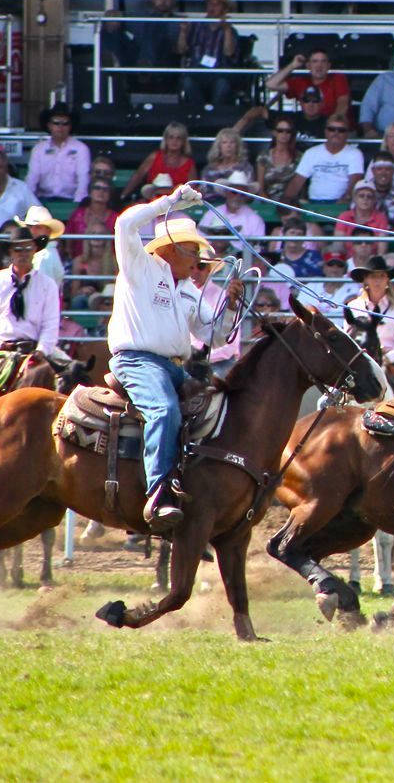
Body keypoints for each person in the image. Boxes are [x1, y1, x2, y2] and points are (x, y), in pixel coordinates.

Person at [108, 184, 246, 531]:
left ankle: (200, 489)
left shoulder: (186, 289)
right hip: (137, 361)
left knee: (219, 407)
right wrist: (170, 202)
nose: (199, 261)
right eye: (194, 252)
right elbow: (125, 225)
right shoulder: (140, 266)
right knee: (164, 409)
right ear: (172, 250)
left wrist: (230, 306)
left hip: (173, 367)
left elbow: (212, 334)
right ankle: (157, 492)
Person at [0, 226, 62, 370]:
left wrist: (41, 350)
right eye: (18, 249)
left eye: (28, 248)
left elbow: (51, 324)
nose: (24, 254)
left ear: (35, 249)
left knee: (70, 376)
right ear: (10, 252)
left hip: (35, 350)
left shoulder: (47, 284)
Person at [346, 255, 394, 393]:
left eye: (382, 276)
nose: (377, 280)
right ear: (365, 280)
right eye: (372, 276)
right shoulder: (353, 306)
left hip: (393, 361)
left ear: (387, 279)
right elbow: (348, 340)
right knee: (326, 400)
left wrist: (386, 358)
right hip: (361, 363)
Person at [282, 115, 364, 205]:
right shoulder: (311, 152)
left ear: (347, 133)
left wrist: (346, 198)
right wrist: (286, 201)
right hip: (313, 204)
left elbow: (355, 182)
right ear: (325, 131)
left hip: (341, 204)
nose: (336, 133)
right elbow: (297, 182)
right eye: (332, 129)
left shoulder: (355, 153)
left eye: (341, 130)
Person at [177, 0, 238, 106]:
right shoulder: (195, 26)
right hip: (197, 70)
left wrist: (226, 30)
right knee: (187, 82)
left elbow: (229, 53)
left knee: (222, 85)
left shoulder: (231, 31)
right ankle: (199, 115)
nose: (212, 8)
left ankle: (215, 116)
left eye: (217, 5)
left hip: (219, 72)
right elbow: (182, 50)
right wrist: (183, 32)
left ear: (225, 9)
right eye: (210, 4)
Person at [188, 249, 242, 380]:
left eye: (201, 266)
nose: (195, 270)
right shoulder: (179, 294)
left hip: (218, 363)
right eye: (191, 266)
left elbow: (229, 343)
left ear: (209, 270)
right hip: (188, 361)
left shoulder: (224, 296)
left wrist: (200, 358)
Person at [119, 0, 181, 91]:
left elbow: (180, 48)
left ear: (173, 1)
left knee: (156, 24)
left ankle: (145, 66)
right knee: (111, 28)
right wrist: (115, 15)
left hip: (167, 61)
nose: (163, 1)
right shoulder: (139, 18)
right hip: (137, 61)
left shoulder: (180, 22)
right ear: (152, 0)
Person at [26, 103, 90, 204]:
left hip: (71, 199)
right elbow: (32, 177)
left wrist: (78, 203)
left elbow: (83, 178)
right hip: (43, 199)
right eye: (56, 123)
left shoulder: (81, 148)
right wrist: (30, 202)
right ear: (49, 125)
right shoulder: (39, 149)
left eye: (65, 123)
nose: (60, 127)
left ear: (70, 126)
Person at [265, 48, 350, 120]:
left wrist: (332, 124)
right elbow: (270, 84)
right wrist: (292, 65)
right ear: (308, 66)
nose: (319, 65)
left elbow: (343, 104)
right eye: (315, 61)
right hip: (310, 128)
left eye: (323, 62)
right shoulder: (300, 81)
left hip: (336, 129)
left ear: (328, 65)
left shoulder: (338, 78)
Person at [123, 122, 198, 202]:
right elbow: (138, 176)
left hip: (177, 204)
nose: (174, 141)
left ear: (184, 141)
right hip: (152, 201)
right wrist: (123, 196)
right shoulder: (154, 157)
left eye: (178, 138)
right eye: (171, 137)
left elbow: (192, 188)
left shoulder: (189, 164)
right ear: (165, 139)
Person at [199, 171, 266, 255]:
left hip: (241, 261)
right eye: (234, 192)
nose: (237, 197)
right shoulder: (212, 213)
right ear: (226, 192)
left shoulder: (255, 219)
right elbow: (199, 239)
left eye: (242, 194)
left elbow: (257, 249)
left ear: (246, 196)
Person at [16, 206, 68, 289]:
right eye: (30, 226)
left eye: (38, 227)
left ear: (48, 231)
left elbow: (39, 290)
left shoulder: (44, 257)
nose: (33, 231)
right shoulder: (43, 254)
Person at [65, 178, 119, 257]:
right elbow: (68, 241)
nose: (101, 192)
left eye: (106, 189)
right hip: (78, 261)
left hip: (108, 263)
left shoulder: (116, 218)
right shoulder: (77, 214)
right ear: (90, 192)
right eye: (97, 188)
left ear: (110, 194)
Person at [254, 115, 302, 201]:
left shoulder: (299, 157)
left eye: (288, 131)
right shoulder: (263, 156)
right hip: (267, 202)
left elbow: (301, 188)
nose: (284, 134)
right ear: (274, 133)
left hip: (291, 204)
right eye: (280, 131)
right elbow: (260, 189)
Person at [334, 181, 389, 256]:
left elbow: (382, 248)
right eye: (361, 196)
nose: (365, 199)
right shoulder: (344, 216)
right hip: (348, 260)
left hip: (372, 260)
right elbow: (338, 245)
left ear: (374, 200)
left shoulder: (381, 218)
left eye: (369, 196)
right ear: (355, 198)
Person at [199, 127, 253, 200]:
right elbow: (203, 192)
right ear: (219, 146)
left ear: (237, 146)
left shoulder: (245, 167)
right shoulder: (209, 169)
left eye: (232, 142)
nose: (229, 146)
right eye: (224, 142)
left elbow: (249, 193)